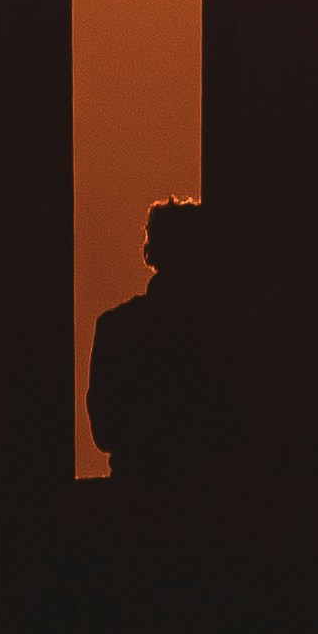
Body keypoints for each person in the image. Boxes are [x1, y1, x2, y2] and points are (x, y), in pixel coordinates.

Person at [87, 201, 233, 477]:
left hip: (134, 486)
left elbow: (104, 431)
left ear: (151, 252)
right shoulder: (218, 332)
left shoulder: (115, 327)